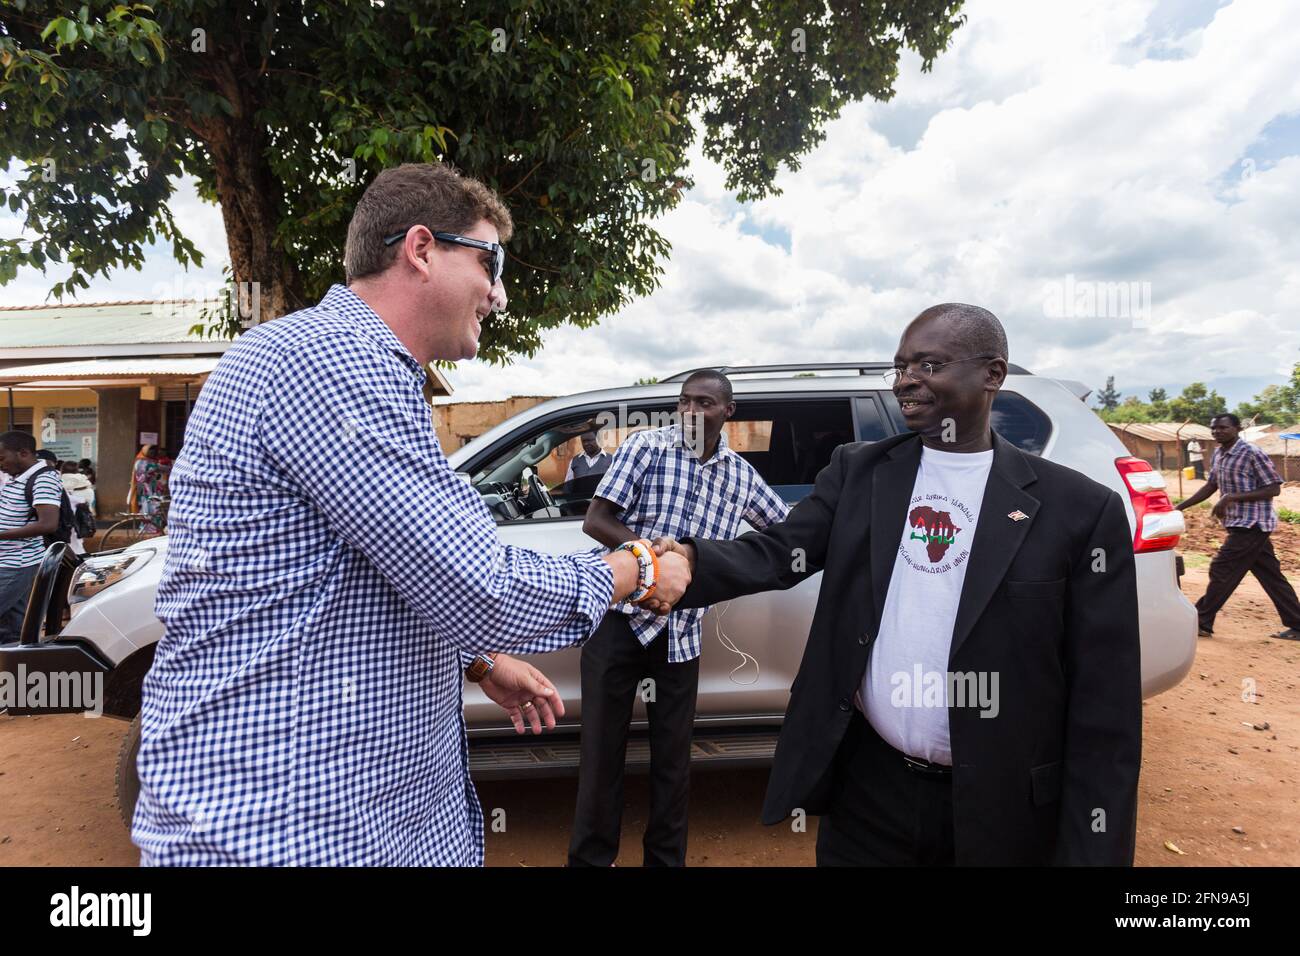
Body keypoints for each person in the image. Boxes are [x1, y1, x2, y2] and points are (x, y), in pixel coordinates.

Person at [131, 162, 691, 866]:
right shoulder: (333, 364)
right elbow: (478, 584)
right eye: (491, 261)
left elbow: (364, 567)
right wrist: (635, 568)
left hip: (345, 821)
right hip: (289, 830)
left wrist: (479, 661)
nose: (499, 292)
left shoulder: (329, 360)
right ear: (422, 249)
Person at [655, 304, 1142, 865]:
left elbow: (1104, 711)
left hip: (1001, 807)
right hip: (870, 791)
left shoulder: (1079, 509)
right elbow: (778, 552)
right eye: (901, 366)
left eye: (929, 364)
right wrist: (689, 562)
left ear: (992, 375)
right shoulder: (861, 472)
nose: (906, 380)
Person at [569, 370, 789, 867]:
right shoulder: (647, 447)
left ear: (728, 412)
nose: (691, 412)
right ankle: (589, 861)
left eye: (705, 403)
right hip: (619, 623)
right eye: (685, 402)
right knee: (601, 758)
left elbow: (787, 533)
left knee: (673, 764)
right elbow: (596, 520)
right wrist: (653, 565)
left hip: (681, 636)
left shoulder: (739, 475)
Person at [1175, 414, 1300, 640]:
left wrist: (1231, 497)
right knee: (1271, 577)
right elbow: (1212, 485)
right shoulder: (1219, 454)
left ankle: (1201, 620)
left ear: (1237, 429)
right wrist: (1179, 507)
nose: (1217, 432)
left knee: (1222, 570)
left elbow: (1273, 488)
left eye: (1223, 427)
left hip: (1252, 524)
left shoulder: (1252, 452)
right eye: (1214, 429)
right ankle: (1298, 624)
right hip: (1237, 523)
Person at [0, 432, 65, 641]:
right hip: (9, 562)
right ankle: (17, 669)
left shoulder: (44, 478)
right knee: (12, 628)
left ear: (24, 453)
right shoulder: (17, 477)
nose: (0, 464)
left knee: (12, 625)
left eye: (2, 458)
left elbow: (48, 523)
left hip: (16, 565)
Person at [60, 461, 97, 555]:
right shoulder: (84, 480)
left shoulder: (61, 480)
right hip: (82, 515)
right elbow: (89, 496)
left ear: (62, 469)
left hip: (67, 516)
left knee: (72, 540)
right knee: (78, 539)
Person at [128, 445, 167, 530]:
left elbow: (160, 470)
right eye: (150, 451)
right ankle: (148, 528)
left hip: (154, 488)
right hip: (145, 489)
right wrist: (153, 470)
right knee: (148, 508)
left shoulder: (153, 461)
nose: (152, 453)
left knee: (156, 508)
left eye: (153, 451)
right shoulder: (140, 461)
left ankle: (156, 527)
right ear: (145, 451)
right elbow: (141, 477)